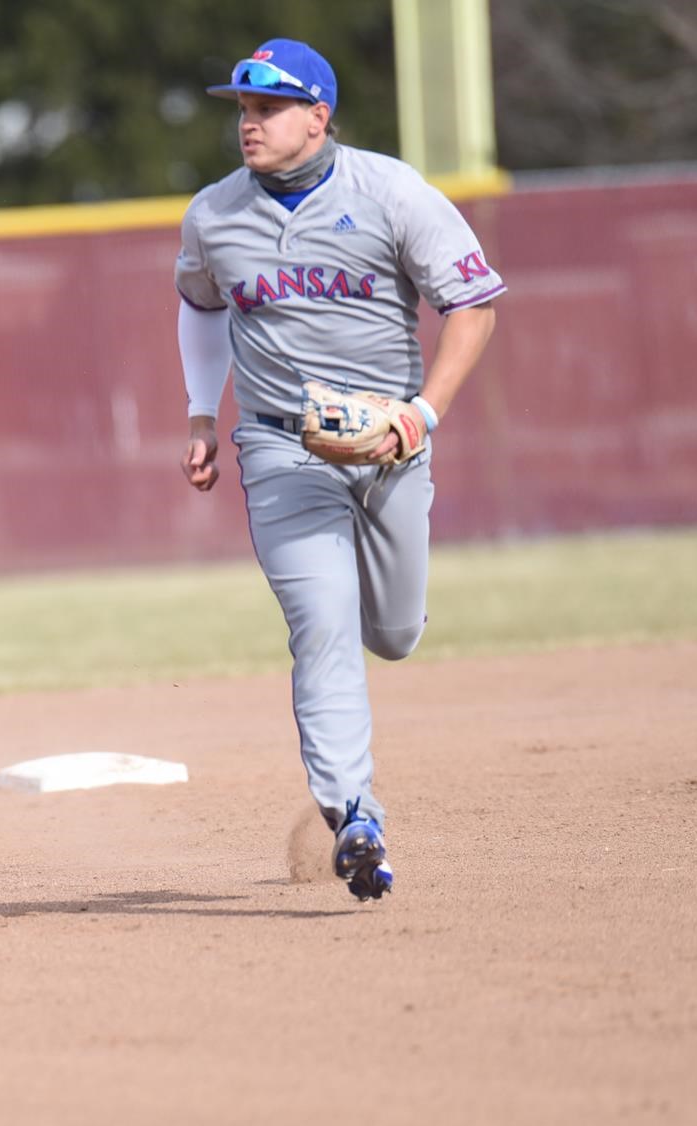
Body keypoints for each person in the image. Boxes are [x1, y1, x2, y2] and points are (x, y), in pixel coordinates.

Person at [173, 39, 504, 900]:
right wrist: (205, 413)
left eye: (268, 108)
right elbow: (201, 308)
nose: (249, 123)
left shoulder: (391, 191)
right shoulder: (214, 215)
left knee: (390, 635)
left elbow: (472, 307)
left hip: (393, 442)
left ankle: (370, 699)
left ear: (318, 116)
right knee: (320, 622)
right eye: (242, 109)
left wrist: (419, 415)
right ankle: (352, 811)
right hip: (283, 447)